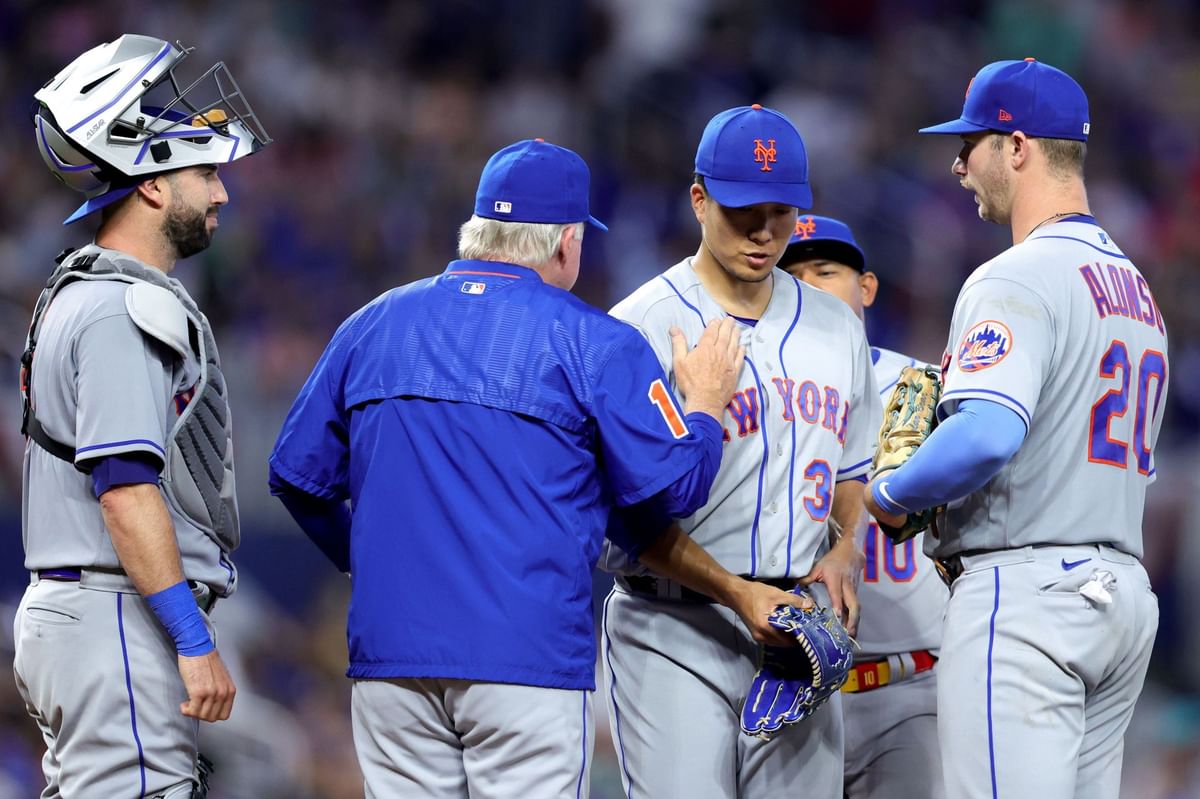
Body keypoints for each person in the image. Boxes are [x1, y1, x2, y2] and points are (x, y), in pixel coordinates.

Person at [267, 137, 810, 799]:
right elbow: (677, 488)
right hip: (527, 662)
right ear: (565, 242)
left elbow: (295, 475)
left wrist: (363, 559)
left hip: (390, 661)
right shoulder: (594, 341)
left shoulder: (373, 322)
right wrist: (703, 407)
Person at [864, 58, 1167, 798]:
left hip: (1030, 598)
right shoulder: (1135, 287)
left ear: (1019, 146)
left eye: (973, 142)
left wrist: (892, 493)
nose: (958, 162)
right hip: (1120, 598)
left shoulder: (1017, 274)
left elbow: (987, 434)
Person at [14, 34, 270, 797]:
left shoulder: (83, 290)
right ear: (152, 187)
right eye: (204, 170)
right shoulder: (124, 307)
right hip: (112, 612)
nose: (221, 192)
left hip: (88, 611)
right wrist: (192, 640)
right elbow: (125, 488)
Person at [599, 105, 878, 797]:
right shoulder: (637, 327)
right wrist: (733, 590)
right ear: (699, 199)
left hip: (797, 634)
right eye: (742, 209)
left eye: (781, 211)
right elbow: (620, 518)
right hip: (672, 623)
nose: (763, 230)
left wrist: (845, 553)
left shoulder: (836, 326)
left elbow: (855, 469)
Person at [779, 215, 947, 799]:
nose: (809, 285)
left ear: (867, 288)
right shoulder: (760, 395)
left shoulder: (920, 387)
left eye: (826, 271)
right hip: (791, 688)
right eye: (791, 274)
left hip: (908, 686)